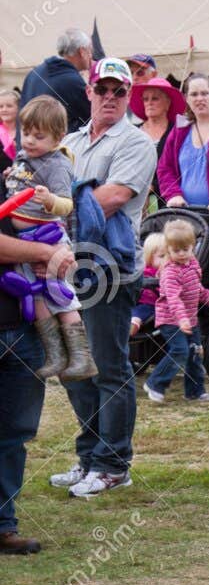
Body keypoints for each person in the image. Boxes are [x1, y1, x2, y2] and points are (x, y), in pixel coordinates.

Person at [50, 57, 157, 499]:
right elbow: (44, 187)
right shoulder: (70, 140)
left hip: (109, 270)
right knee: (74, 367)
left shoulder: (137, 142)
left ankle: (113, 464)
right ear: (89, 92)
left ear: (128, 96)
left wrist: (52, 206)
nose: (110, 97)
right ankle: (91, 456)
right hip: (65, 266)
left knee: (109, 368)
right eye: (103, 89)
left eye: (119, 91)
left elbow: (109, 199)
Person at [2, 96, 96, 381]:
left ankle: (81, 356)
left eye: (39, 136)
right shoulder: (24, 157)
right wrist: (10, 176)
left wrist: (50, 200)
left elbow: (67, 205)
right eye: (26, 133)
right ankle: (54, 354)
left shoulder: (57, 164)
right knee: (34, 294)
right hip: (25, 239)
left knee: (59, 293)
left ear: (58, 137)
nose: (30, 140)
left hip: (47, 235)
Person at [0, 217, 75, 554]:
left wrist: (59, 256)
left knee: (14, 433)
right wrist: (45, 252)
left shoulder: (20, 184)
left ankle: (3, 525)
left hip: (22, 327)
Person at [143, 218, 209, 404]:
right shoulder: (170, 272)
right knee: (180, 351)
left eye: (185, 249)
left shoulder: (193, 264)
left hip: (190, 320)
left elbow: (197, 288)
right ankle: (155, 383)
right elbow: (173, 298)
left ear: (193, 246)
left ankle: (195, 391)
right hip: (171, 319)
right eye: (176, 250)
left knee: (195, 352)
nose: (182, 254)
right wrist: (182, 319)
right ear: (168, 250)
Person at [157, 73, 209, 208]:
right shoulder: (180, 129)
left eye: (204, 93)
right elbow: (165, 167)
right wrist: (173, 194)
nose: (200, 98)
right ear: (186, 98)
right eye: (194, 94)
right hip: (184, 212)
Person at [19, 28, 92, 133]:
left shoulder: (34, 73)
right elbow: (92, 117)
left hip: (27, 140)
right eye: (90, 51)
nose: (91, 56)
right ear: (82, 51)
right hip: (54, 142)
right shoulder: (71, 81)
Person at [129, 76, 185, 164]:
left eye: (155, 98)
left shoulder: (178, 133)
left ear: (168, 103)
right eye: (145, 99)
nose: (149, 103)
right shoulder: (132, 131)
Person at [130, 231, 166, 336]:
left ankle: (133, 325)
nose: (167, 259)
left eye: (169, 255)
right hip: (135, 299)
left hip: (151, 303)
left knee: (140, 312)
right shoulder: (142, 268)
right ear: (149, 256)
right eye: (162, 256)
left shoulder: (165, 271)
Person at [0, 88, 18, 165]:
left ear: (18, 108)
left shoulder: (25, 131)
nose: (4, 109)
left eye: (9, 106)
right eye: (1, 106)